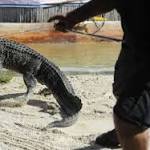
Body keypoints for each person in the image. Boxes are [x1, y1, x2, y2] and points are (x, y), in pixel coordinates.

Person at [49, 0, 150, 149]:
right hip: (134, 46)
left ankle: (133, 126)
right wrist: (73, 18)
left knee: (128, 120)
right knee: (121, 88)